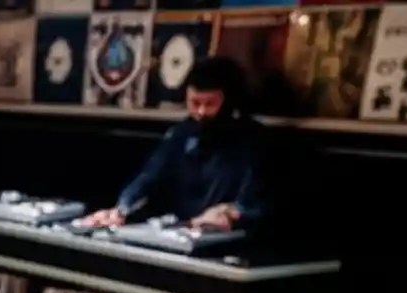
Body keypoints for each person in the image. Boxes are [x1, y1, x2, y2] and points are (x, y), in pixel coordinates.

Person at [79, 56, 267, 233]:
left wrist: (231, 213)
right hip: (181, 230)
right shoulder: (182, 133)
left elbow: (255, 203)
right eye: (195, 103)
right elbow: (150, 176)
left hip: (230, 239)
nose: (201, 112)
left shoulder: (253, 140)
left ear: (229, 102)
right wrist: (122, 208)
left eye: (210, 104)